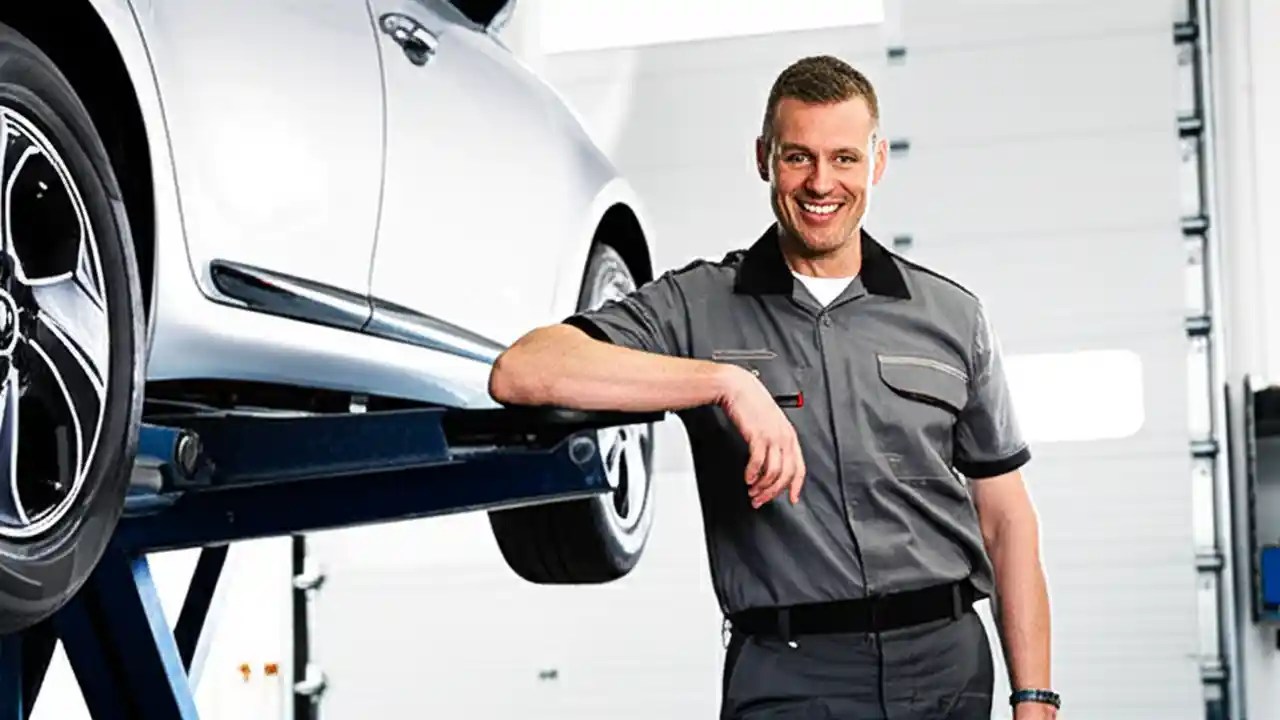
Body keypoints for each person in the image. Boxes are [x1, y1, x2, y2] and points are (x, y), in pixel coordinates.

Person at [488, 55, 1057, 719]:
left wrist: (1036, 697)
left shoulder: (951, 316)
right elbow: (526, 370)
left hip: (946, 666)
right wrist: (725, 383)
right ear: (764, 158)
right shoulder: (697, 306)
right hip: (789, 676)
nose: (822, 182)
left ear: (876, 162)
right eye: (798, 157)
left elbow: (1006, 516)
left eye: (844, 158)